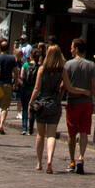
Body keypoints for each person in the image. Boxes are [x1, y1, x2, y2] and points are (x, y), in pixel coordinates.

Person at [30, 43, 76, 173]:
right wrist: (83, 92)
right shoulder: (62, 70)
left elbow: (36, 88)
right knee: (51, 135)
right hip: (54, 104)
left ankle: (39, 162)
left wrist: (30, 102)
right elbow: (68, 87)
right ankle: (50, 160)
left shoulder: (41, 69)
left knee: (40, 134)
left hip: (41, 104)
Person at [64, 39, 95, 173]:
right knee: (84, 132)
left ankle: (72, 161)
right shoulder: (90, 65)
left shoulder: (68, 65)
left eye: (72, 48)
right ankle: (81, 157)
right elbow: (94, 85)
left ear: (77, 49)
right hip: (86, 103)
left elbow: (64, 86)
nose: (71, 50)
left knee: (71, 133)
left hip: (73, 102)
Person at [0, 39, 18, 135]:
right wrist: (15, 82)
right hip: (7, 84)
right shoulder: (12, 58)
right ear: (8, 48)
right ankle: (1, 124)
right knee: (5, 107)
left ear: (0, 48)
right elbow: (15, 72)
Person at [19, 47, 39, 135]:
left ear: (31, 55)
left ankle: (24, 127)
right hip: (35, 90)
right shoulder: (39, 67)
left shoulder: (25, 65)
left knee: (24, 108)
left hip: (25, 88)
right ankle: (31, 129)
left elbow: (21, 76)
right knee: (33, 109)